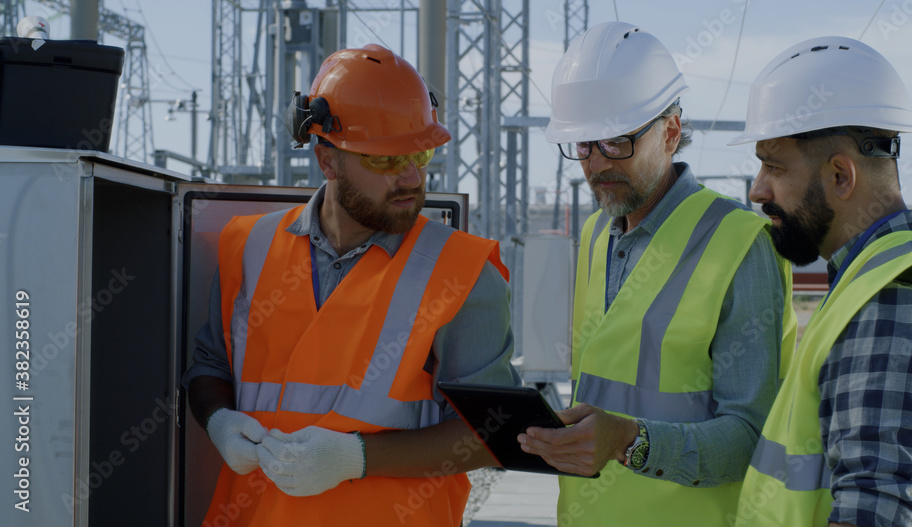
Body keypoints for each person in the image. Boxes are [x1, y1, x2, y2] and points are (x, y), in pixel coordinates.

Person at [183, 44, 519, 526]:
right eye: (385, 161)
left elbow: (492, 433)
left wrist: (356, 458)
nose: (411, 178)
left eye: (420, 154)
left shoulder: (462, 272)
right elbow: (210, 366)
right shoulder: (248, 246)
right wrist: (218, 419)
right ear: (327, 160)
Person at [517, 22, 797, 526]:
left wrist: (629, 441)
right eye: (582, 145)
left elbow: (751, 436)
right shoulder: (596, 235)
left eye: (615, 142)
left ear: (670, 133)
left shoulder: (740, 244)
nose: (596, 164)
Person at [729, 36, 912, 526]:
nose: (758, 190)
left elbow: (874, 511)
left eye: (773, 165)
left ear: (840, 176)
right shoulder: (895, 272)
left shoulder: (893, 302)